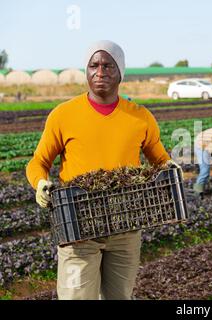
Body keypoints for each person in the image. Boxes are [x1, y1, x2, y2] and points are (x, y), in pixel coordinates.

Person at [25, 40, 181, 300]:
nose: (100, 72)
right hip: (78, 227)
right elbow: (38, 161)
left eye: (108, 65)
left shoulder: (140, 117)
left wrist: (169, 167)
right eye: (93, 65)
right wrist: (40, 183)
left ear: (120, 72)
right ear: (86, 71)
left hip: (125, 224)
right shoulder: (63, 115)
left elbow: (160, 158)